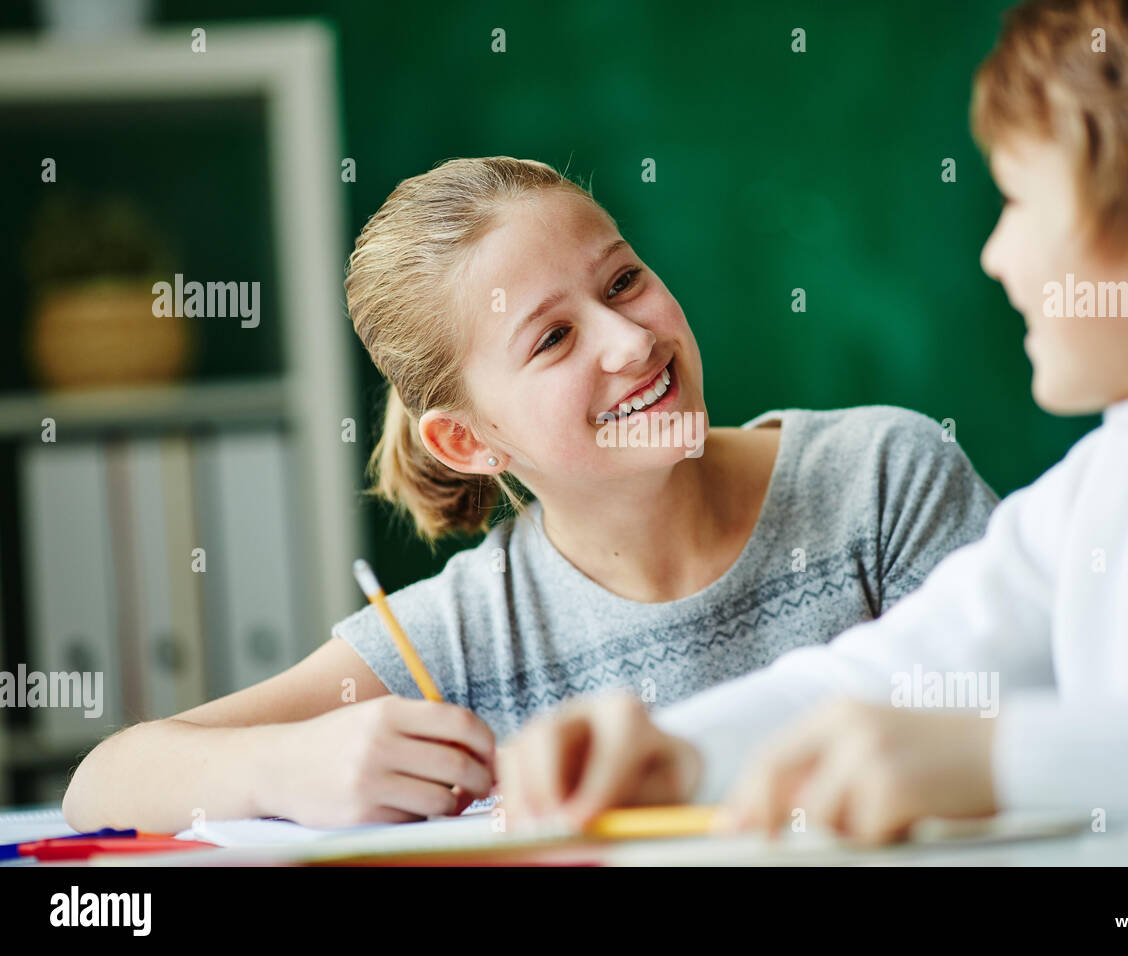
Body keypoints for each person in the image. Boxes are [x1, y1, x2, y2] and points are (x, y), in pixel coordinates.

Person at [496, 0, 1128, 842]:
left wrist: (1003, 760)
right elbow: (905, 668)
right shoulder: (1115, 485)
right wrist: (677, 750)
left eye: (1016, 201)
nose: (994, 255)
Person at [62, 157, 997, 833]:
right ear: (468, 441)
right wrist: (285, 764)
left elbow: (1021, 720)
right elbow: (101, 783)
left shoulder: (881, 482)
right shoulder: (470, 631)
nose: (630, 343)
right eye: (552, 340)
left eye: (624, 280)